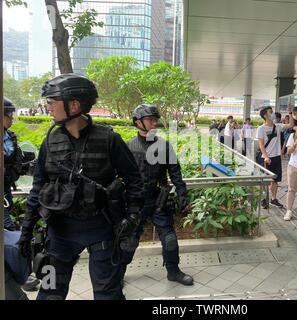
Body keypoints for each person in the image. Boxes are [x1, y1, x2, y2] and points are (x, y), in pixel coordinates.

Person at [17, 73, 144, 300]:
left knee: (109, 294)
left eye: (52, 101)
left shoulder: (109, 140)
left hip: (102, 231)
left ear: (74, 104)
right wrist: (26, 232)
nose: (48, 107)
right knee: (49, 292)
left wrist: (133, 218)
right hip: (59, 234)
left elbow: (134, 180)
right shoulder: (49, 142)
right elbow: (38, 188)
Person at [126, 104, 194, 286]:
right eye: (150, 120)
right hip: (136, 202)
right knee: (129, 240)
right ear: (138, 122)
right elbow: (119, 175)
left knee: (170, 238)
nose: (154, 123)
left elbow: (175, 173)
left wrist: (182, 195)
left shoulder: (164, 146)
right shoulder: (128, 147)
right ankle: (117, 274)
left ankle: (174, 272)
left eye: (155, 120)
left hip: (159, 200)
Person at [256, 106, 294, 209]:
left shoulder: (277, 126)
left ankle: (273, 199)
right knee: (264, 180)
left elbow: (291, 124)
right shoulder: (261, 129)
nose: (273, 113)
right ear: (265, 115)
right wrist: (266, 156)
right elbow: (261, 145)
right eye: (270, 112)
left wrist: (290, 113)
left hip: (276, 157)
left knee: (275, 180)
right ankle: (264, 199)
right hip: (265, 158)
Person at [3, 97, 22, 232]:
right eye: (9, 114)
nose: (12, 118)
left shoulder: (9, 136)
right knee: (8, 227)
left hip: (7, 185)